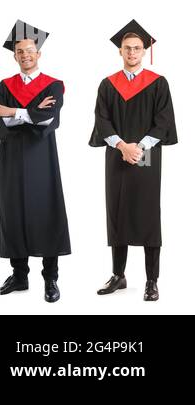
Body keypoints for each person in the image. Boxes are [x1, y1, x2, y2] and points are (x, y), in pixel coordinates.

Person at [90, 20, 175, 302]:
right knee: (117, 211)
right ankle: (119, 275)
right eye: (127, 48)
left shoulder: (158, 83)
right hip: (116, 153)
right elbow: (102, 120)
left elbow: (162, 123)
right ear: (120, 52)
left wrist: (137, 148)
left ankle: (152, 280)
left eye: (137, 48)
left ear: (144, 50)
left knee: (148, 213)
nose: (132, 52)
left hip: (146, 154)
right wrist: (122, 146)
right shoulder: (107, 84)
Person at [0, 20, 70, 303]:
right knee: (14, 212)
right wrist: (29, 113)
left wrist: (15, 112)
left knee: (46, 211)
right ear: (15, 55)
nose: (25, 55)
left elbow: (50, 118)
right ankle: (19, 276)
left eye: (30, 50)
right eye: (20, 51)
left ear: (39, 54)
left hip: (41, 157)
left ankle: (51, 279)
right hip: (12, 156)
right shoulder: (3, 85)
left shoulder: (53, 85)